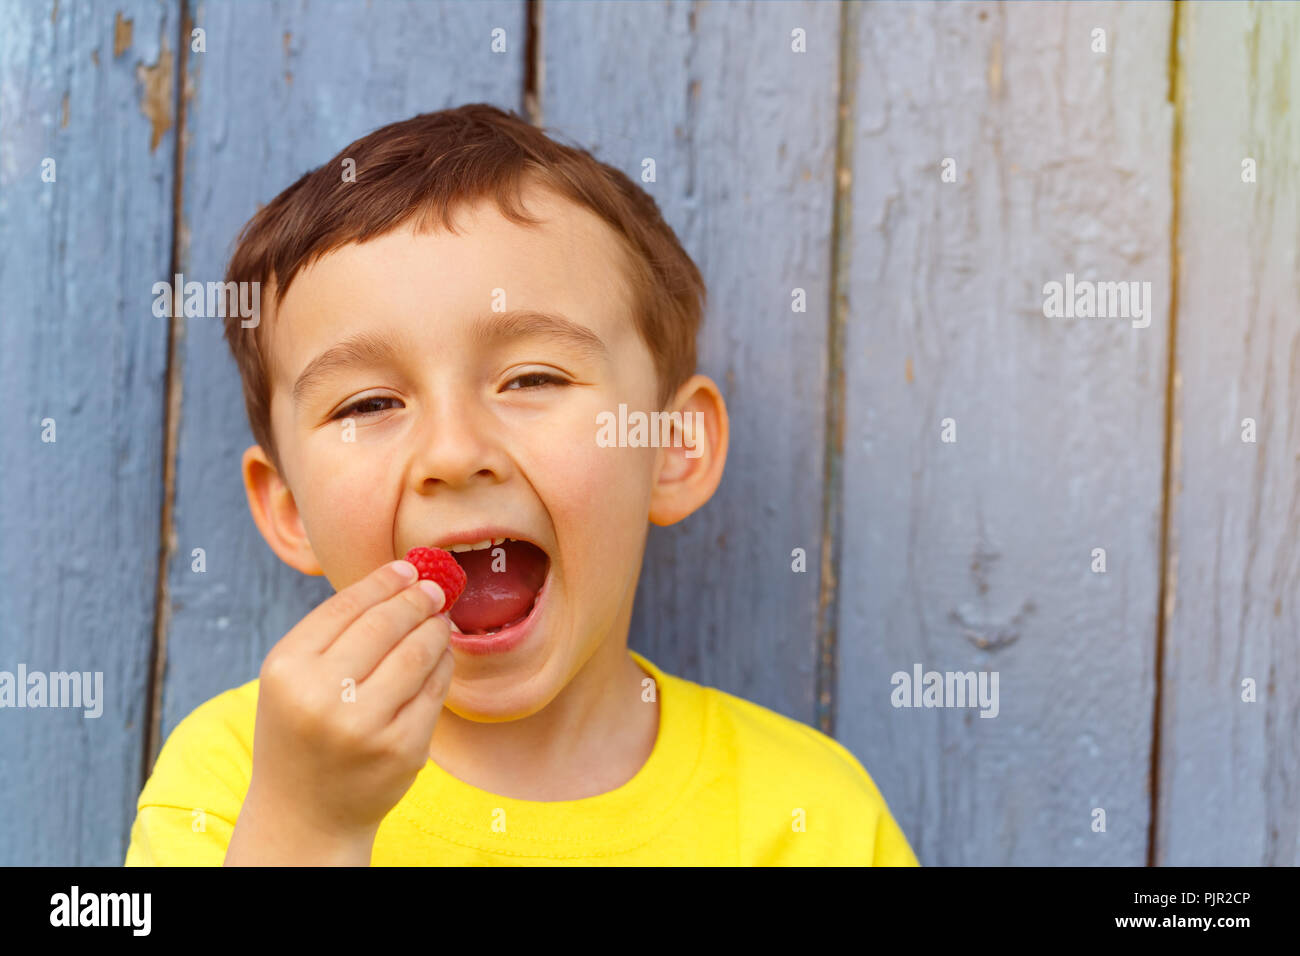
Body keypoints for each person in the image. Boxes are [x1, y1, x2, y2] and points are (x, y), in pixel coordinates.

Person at [124, 104, 918, 866]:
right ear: (290, 508)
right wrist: (309, 830)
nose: (455, 451)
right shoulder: (238, 780)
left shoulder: (813, 815)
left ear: (671, 445)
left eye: (532, 378)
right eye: (369, 403)